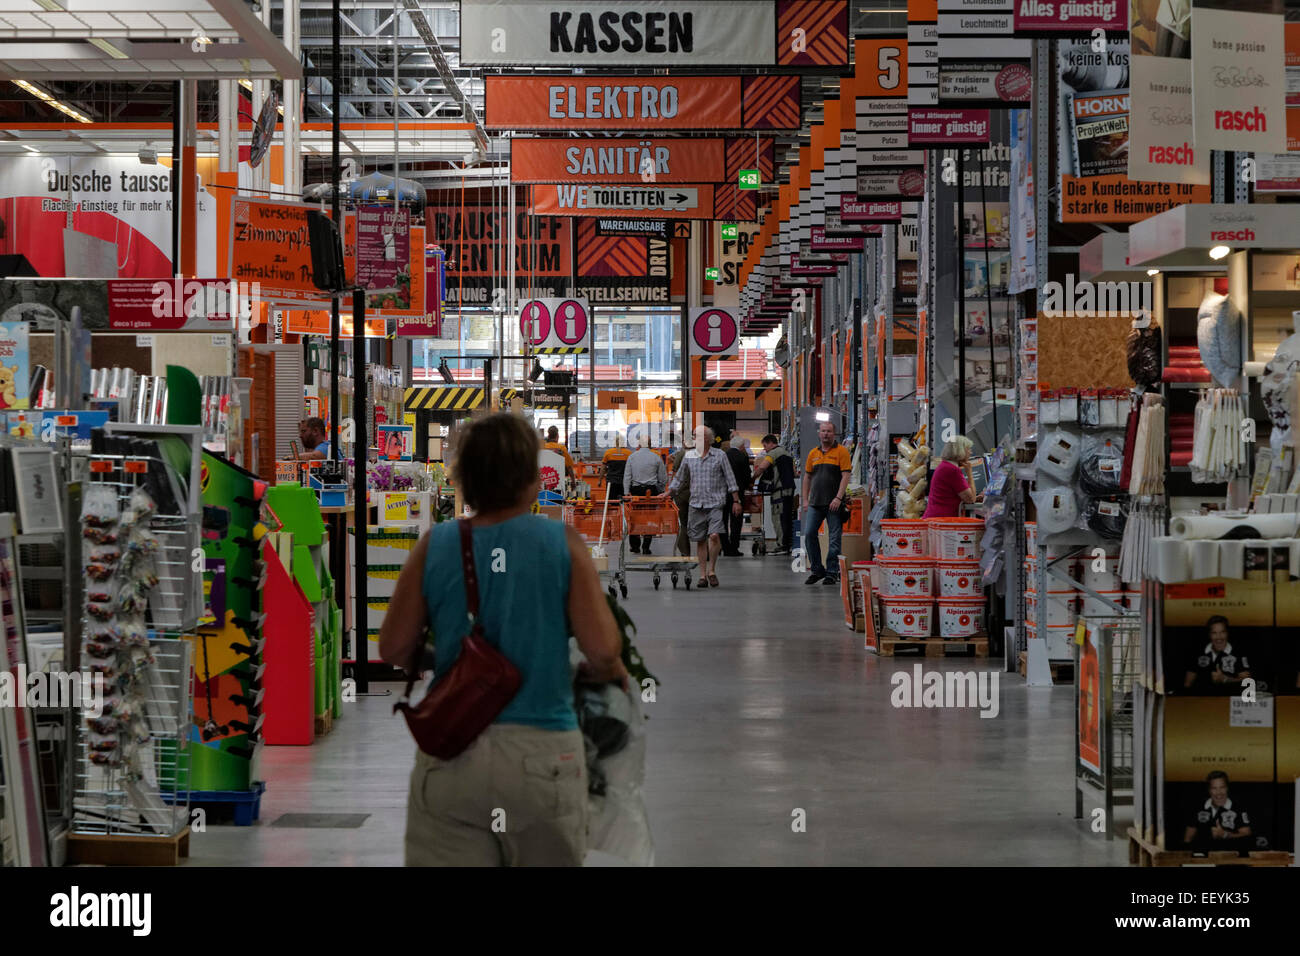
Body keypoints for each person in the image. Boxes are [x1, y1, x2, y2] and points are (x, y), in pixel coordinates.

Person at [378, 412, 626, 867]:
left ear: (465, 479)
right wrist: (605, 674)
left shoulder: (435, 545)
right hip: (542, 754)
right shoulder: (562, 544)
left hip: (454, 753)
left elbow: (393, 647)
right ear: (531, 478)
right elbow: (605, 651)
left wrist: (451, 658)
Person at [664, 425, 740, 589]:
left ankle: (712, 570)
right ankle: (703, 575)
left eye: (696, 435)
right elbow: (680, 478)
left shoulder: (720, 456)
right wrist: (668, 493)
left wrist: (736, 500)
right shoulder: (689, 456)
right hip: (696, 503)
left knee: (714, 536)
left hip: (715, 503)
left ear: (707, 438)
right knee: (699, 540)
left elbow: (730, 478)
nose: (693, 438)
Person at [801, 420, 852, 587]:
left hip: (833, 504)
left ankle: (832, 572)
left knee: (834, 539)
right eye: (823, 431)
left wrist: (838, 498)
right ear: (819, 433)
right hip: (815, 503)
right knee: (809, 534)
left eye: (829, 431)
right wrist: (805, 500)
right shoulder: (813, 454)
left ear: (834, 433)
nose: (826, 434)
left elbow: (845, 476)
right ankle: (817, 570)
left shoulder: (841, 452)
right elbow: (807, 477)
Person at [1182, 771, 1254, 850]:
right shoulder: (1198, 808)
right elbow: (1187, 840)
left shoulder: (1239, 808)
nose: (1218, 793)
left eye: (1222, 787)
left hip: (1230, 858)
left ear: (1227, 788)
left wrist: (1225, 835)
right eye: (1214, 788)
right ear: (1209, 790)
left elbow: (1247, 836)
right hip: (1204, 858)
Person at [751, 433, 796, 554]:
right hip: (788, 490)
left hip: (779, 491)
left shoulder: (773, 453)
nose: (764, 449)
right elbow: (794, 472)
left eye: (765, 446)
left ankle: (782, 545)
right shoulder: (786, 453)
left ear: (771, 443)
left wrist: (752, 479)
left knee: (778, 518)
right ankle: (787, 544)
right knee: (787, 517)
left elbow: (762, 468)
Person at [1184, 616, 1251, 694]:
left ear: (1227, 633)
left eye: (1222, 632)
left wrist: (1225, 679)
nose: (1219, 637)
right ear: (1209, 635)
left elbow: (1247, 682)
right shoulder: (1198, 652)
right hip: (1202, 702)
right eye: (1214, 633)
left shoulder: (1239, 653)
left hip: (1228, 701)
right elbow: (1187, 684)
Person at [624, 435, 667, 555]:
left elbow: (627, 476)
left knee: (634, 517)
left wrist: (626, 492)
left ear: (639, 444)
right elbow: (663, 478)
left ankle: (635, 546)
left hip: (636, 491)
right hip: (651, 491)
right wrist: (660, 490)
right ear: (650, 444)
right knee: (650, 518)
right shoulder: (656, 457)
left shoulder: (632, 457)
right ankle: (646, 546)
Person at [923, 436, 980, 518]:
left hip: (935, 517)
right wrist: (969, 473)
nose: (970, 452)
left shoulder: (945, 466)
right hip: (942, 520)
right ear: (960, 450)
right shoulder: (953, 470)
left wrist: (976, 497)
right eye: (968, 449)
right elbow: (971, 499)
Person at [722, 430, 753, 557]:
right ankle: (734, 548)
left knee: (722, 521)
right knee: (736, 521)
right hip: (737, 493)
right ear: (741, 446)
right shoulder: (742, 457)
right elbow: (746, 476)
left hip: (723, 493)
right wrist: (748, 486)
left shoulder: (723, 456)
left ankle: (723, 546)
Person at [669, 443, 692, 558]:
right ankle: (706, 550)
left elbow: (675, 473)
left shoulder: (681, 453)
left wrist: (671, 491)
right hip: (697, 493)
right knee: (703, 522)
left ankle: (685, 551)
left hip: (682, 493)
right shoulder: (701, 454)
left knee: (682, 523)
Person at [601, 435, 631, 501]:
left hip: (611, 482)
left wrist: (600, 480)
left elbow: (603, 468)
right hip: (624, 482)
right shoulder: (629, 453)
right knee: (624, 502)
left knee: (611, 502)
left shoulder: (608, 452)